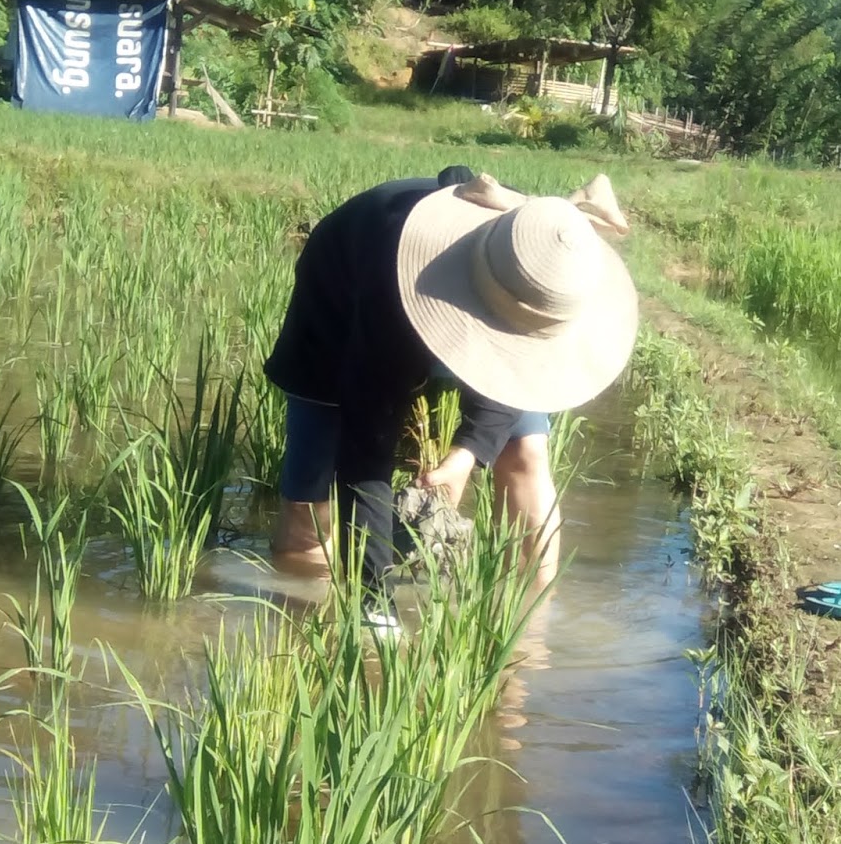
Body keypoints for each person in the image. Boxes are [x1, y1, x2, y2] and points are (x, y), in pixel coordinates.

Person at [264, 166, 636, 621]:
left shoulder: (539, 258)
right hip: (344, 288)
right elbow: (366, 446)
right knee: (311, 497)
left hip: (490, 286)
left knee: (527, 455)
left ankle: (528, 628)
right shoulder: (390, 294)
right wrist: (375, 607)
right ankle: (304, 621)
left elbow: (519, 374)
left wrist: (467, 454)